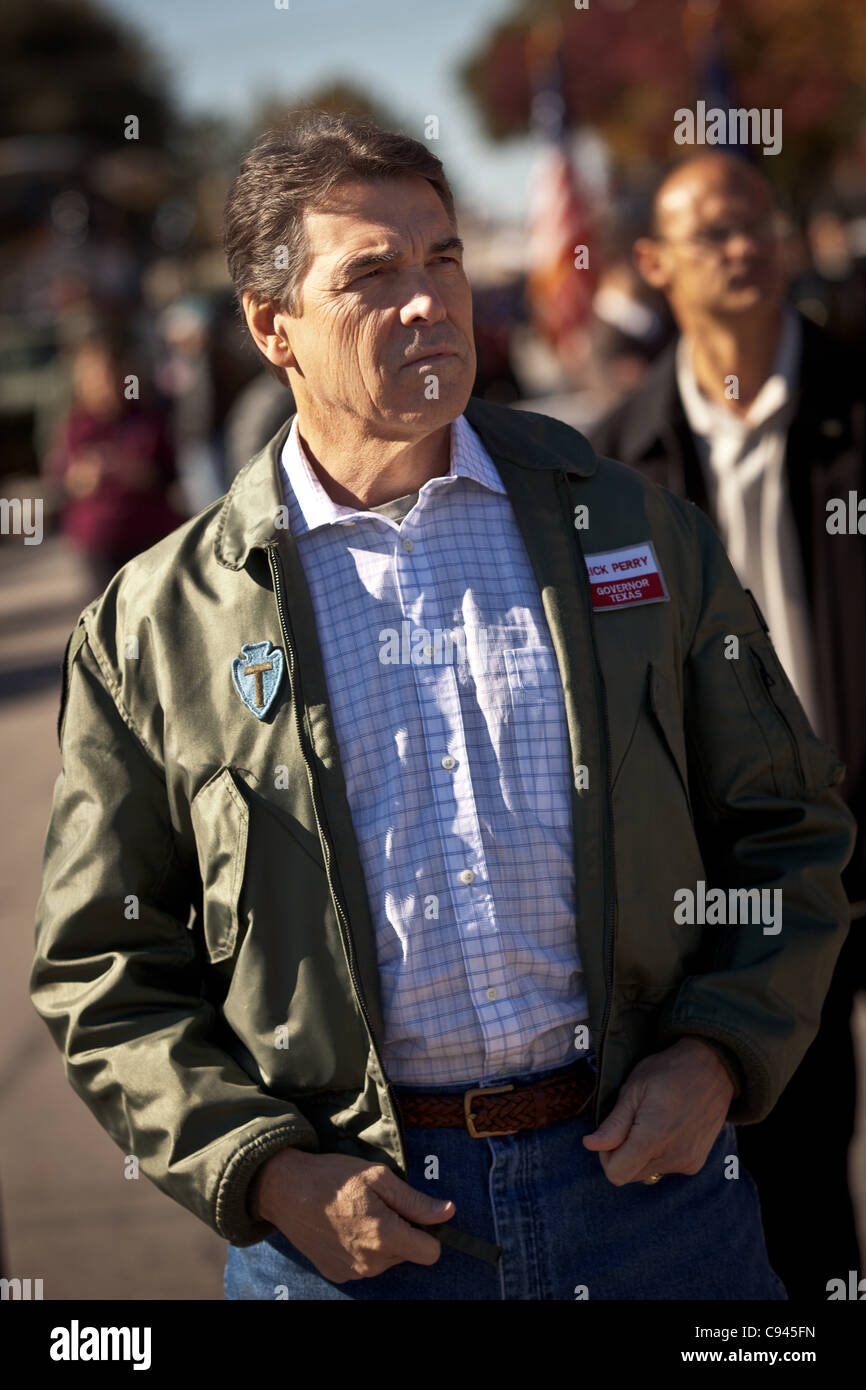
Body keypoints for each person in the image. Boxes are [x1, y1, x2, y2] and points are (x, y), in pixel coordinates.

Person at [31, 114, 855, 1302]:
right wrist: (266, 1175)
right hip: (346, 1241)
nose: (427, 301)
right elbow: (102, 961)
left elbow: (788, 824)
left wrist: (716, 1053)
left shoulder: (622, 524)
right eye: (371, 274)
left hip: (654, 1205)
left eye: (444, 259)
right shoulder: (156, 624)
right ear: (273, 328)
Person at [589, 151, 866, 1298]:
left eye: (755, 220)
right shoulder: (610, 469)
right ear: (653, 267)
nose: (739, 246)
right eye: (707, 232)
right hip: (746, 878)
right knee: (793, 1181)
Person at [42, 328, 185, 598]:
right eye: (95, 380)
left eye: (110, 377)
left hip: (149, 534)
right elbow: (60, 482)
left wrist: (133, 472)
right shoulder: (77, 425)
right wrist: (84, 477)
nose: (105, 386)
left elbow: (170, 474)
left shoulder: (147, 418)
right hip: (99, 541)